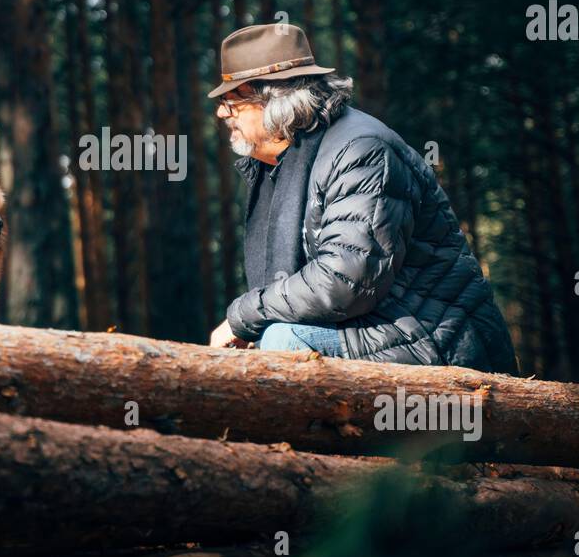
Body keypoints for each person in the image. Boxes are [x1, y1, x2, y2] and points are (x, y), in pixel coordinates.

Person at [206, 22, 519, 374]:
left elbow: (347, 281)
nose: (222, 113)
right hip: (384, 334)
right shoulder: (285, 164)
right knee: (266, 343)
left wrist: (244, 315)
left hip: (440, 345)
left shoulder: (362, 151)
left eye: (231, 101)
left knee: (283, 343)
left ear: (273, 99)